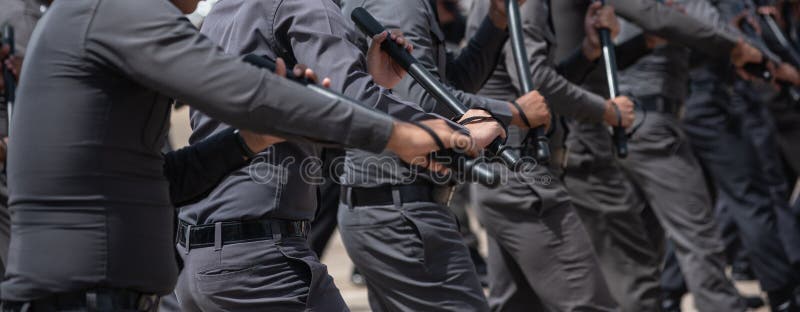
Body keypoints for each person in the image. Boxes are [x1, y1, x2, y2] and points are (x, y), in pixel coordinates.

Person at [0, 0, 469, 310]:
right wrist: (401, 134)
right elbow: (248, 92)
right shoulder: (120, 10)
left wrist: (248, 141)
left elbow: (162, 180)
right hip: (81, 297)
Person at [173, 0, 481, 310]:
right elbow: (355, 97)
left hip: (202, 258)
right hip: (260, 263)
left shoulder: (225, 9)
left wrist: (371, 82)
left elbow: (321, 106)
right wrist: (457, 131)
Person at [550, 0, 765, 310]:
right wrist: (736, 45)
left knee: (641, 241)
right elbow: (661, 20)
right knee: (695, 233)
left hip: (624, 122)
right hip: (639, 124)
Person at [340, 0, 552, 310]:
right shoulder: (399, 5)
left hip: (396, 206)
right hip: (401, 211)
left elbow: (447, 83)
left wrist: (495, 23)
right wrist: (513, 112)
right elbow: (421, 99)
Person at [465, 1, 632, 310]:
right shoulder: (527, 4)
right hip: (521, 175)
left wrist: (587, 53)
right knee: (588, 304)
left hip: (507, 171)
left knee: (517, 305)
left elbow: (531, 86)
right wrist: (606, 111)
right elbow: (535, 78)